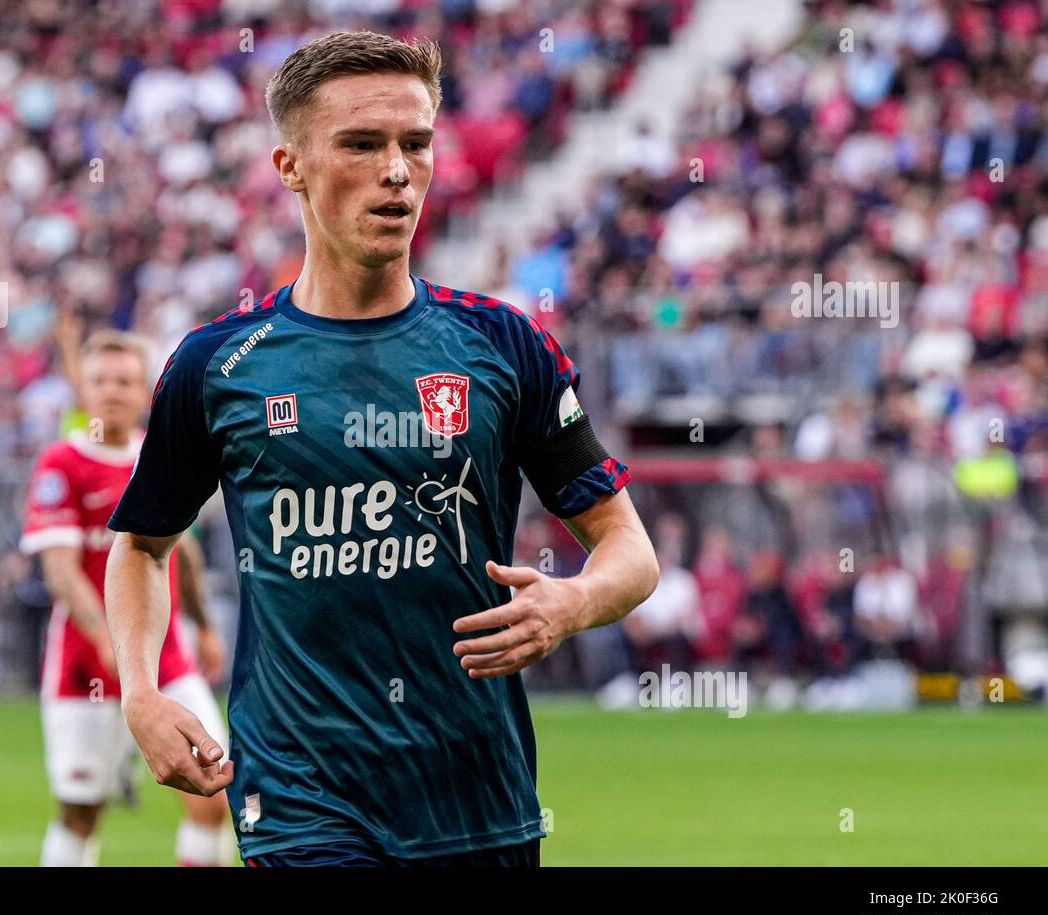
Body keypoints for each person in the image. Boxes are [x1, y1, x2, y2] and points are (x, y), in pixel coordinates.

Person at [104, 30, 659, 867]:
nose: (397, 171)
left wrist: (570, 604)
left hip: (477, 793)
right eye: (362, 145)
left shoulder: (502, 345)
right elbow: (142, 546)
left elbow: (630, 549)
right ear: (290, 166)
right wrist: (140, 693)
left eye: (416, 143)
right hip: (299, 799)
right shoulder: (217, 365)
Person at [20, 330, 232, 866]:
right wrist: (118, 653)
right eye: (99, 381)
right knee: (81, 810)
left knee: (215, 790)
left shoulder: (160, 456)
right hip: (83, 667)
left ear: (147, 392)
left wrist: (203, 625)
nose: (111, 392)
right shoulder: (60, 465)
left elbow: (179, 554)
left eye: (124, 381)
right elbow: (63, 576)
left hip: (168, 660)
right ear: (81, 392)